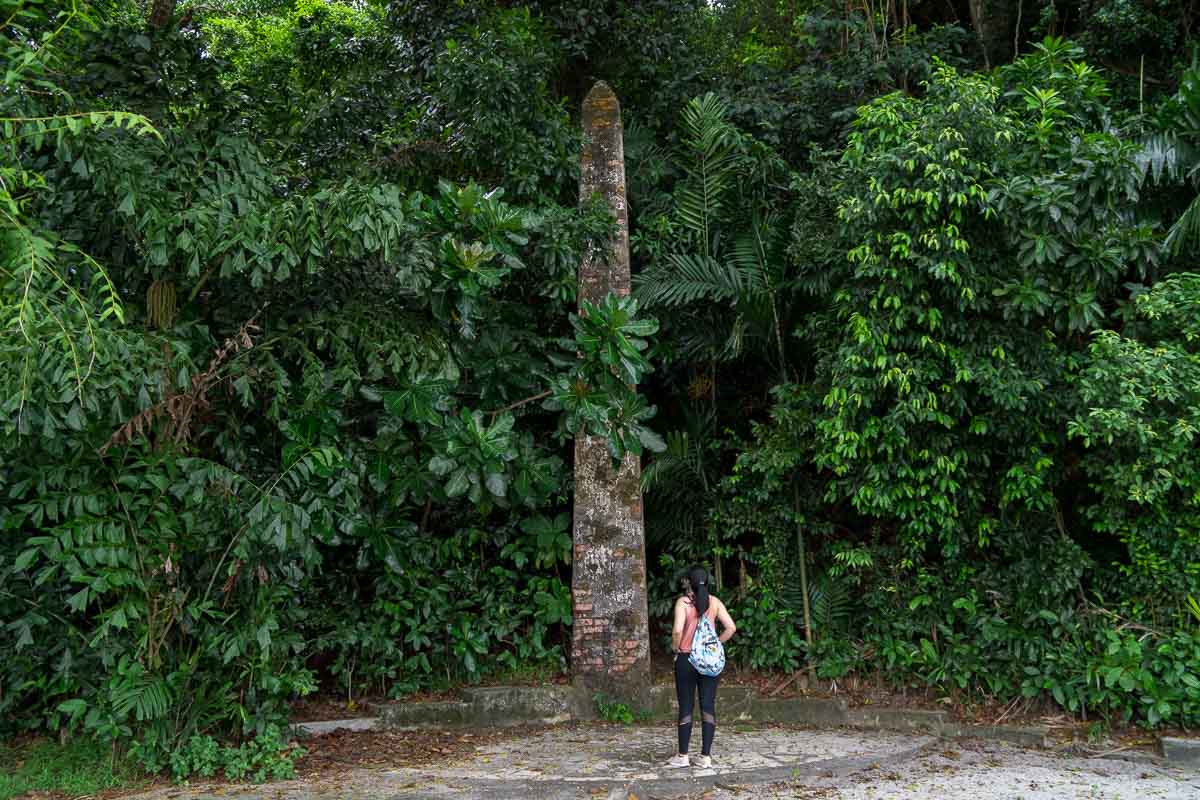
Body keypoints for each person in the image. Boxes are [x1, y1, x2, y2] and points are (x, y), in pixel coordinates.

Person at [666, 565, 736, 769]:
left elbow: (677, 631)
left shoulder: (683, 603)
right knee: (708, 705)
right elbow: (731, 628)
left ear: (689, 582)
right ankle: (705, 757)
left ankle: (683, 756)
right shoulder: (715, 602)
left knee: (686, 706)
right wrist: (715, 645)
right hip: (709, 660)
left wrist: (676, 648)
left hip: (686, 659)